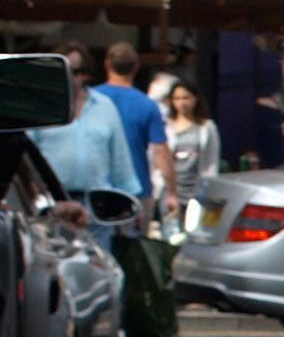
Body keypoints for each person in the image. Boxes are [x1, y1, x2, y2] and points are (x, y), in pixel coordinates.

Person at [30, 47, 143, 206]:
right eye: (64, 71)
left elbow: (120, 159)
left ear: (86, 74)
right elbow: (25, 158)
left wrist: (130, 200)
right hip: (52, 203)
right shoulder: (40, 106)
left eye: (76, 71)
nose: (70, 77)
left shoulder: (104, 105)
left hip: (96, 204)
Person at [97, 41, 176, 213]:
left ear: (106, 65)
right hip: (137, 189)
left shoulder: (91, 100)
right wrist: (172, 193)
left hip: (95, 189)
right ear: (136, 68)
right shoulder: (147, 105)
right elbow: (161, 150)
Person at [162, 78, 225, 204]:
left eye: (186, 98)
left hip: (197, 191)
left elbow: (212, 162)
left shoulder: (207, 127)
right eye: (177, 98)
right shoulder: (165, 126)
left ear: (195, 98)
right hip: (170, 192)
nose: (182, 103)